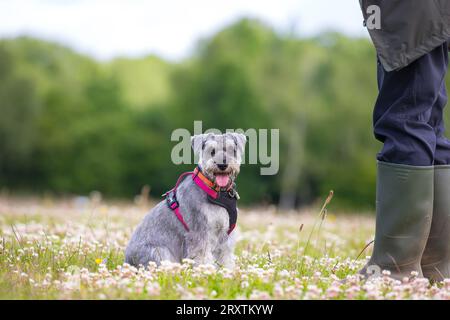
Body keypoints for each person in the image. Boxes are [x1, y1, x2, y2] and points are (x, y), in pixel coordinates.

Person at [359, 0, 450, 281]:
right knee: (428, 122)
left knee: (404, 121)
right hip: (428, 14)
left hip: (412, 15)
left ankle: (394, 269)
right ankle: (436, 268)